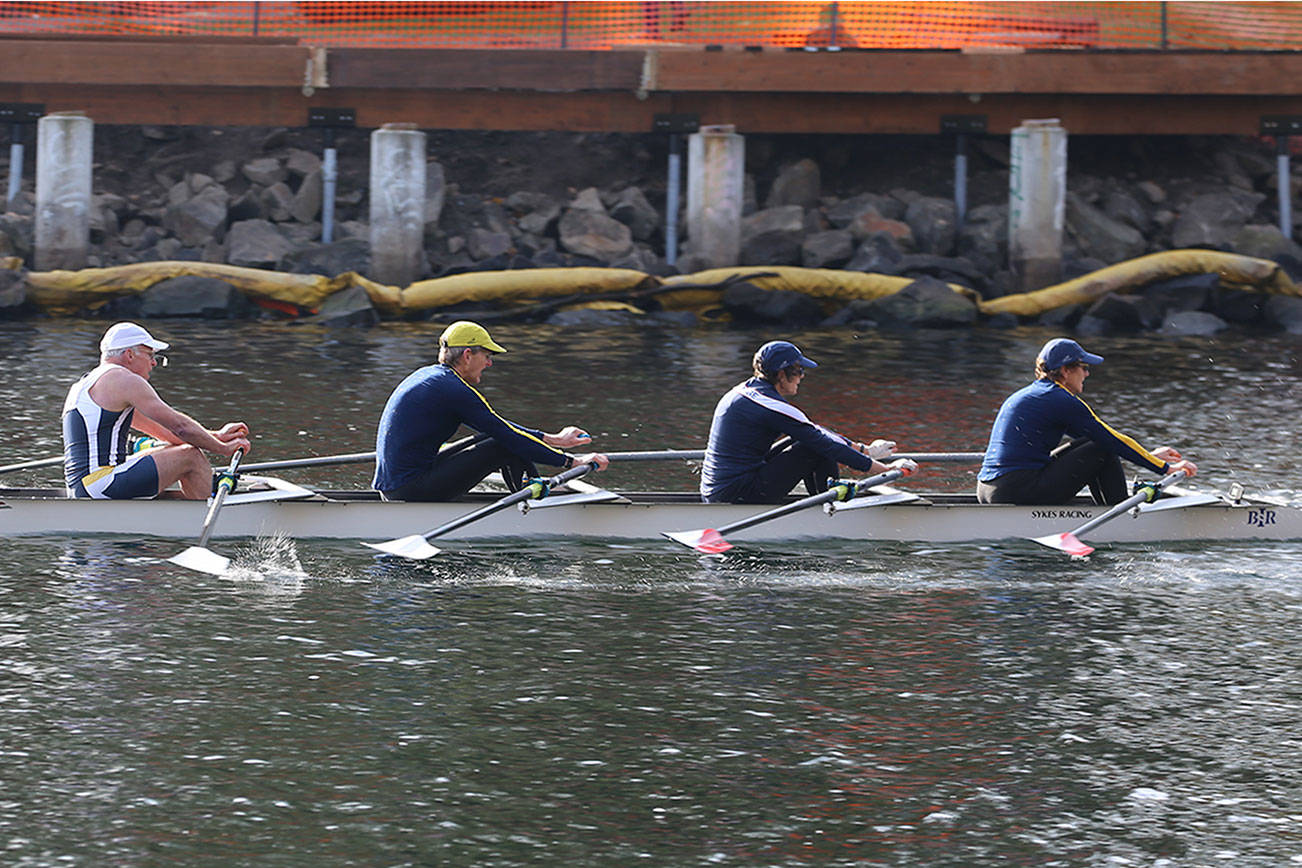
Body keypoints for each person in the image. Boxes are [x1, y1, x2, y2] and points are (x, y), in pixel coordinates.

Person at [372, 320, 609, 502]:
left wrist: (554, 439)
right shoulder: (453, 389)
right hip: (410, 491)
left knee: (496, 439)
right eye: (486, 356)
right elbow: (506, 435)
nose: (489, 363)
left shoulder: (430, 377)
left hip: (399, 485)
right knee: (503, 445)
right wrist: (572, 462)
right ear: (467, 355)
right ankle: (536, 505)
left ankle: (534, 491)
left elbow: (498, 426)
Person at [978, 337, 1197, 505]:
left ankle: (1111, 507)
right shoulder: (1061, 399)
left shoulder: (1031, 395)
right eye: (1084, 368)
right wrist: (1165, 468)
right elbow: (1110, 439)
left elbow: (1095, 442)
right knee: (1102, 447)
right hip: (1015, 490)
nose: (1087, 374)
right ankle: (1119, 512)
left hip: (988, 489)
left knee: (1090, 443)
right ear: (1065, 370)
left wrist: (1148, 456)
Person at [700, 340, 916, 504]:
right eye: (799, 371)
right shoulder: (770, 406)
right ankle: (831, 504)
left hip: (724, 486)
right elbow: (823, 444)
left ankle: (827, 496)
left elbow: (815, 431)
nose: (802, 376)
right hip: (734, 494)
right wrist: (884, 470)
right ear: (782, 374)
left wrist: (865, 451)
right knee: (815, 447)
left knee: (811, 437)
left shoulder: (743, 391)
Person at [62, 322, 252, 500]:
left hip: (84, 487)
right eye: (150, 355)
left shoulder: (89, 383)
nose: (153, 363)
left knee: (172, 447)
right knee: (190, 456)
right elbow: (181, 427)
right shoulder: (123, 380)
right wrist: (222, 449)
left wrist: (216, 436)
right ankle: (210, 511)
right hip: (100, 485)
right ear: (129, 355)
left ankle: (198, 499)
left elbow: (165, 432)